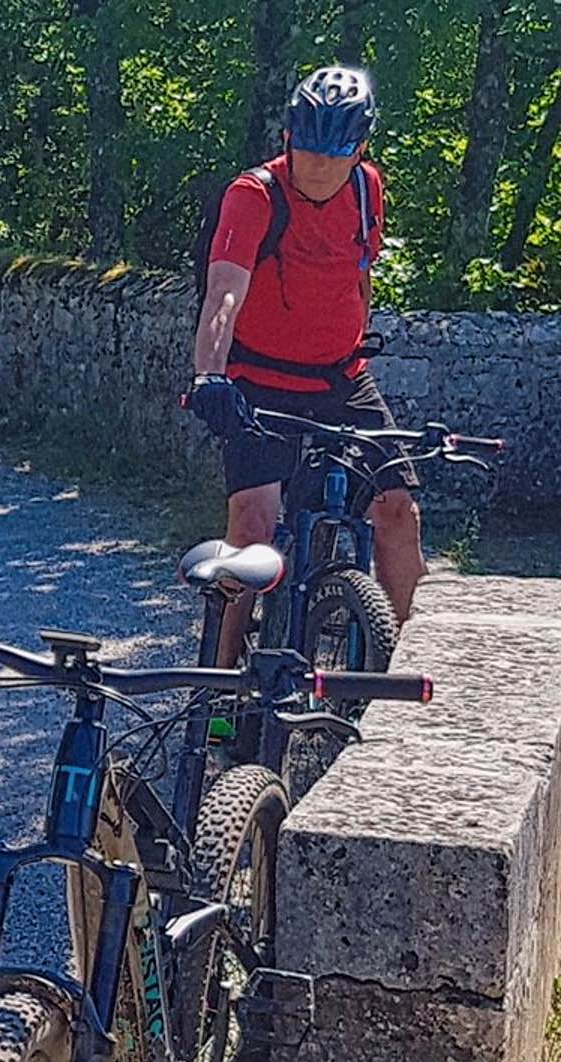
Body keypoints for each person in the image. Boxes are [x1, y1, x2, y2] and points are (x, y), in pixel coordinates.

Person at [187, 65, 424, 665]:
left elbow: (357, 276)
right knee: (254, 524)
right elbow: (224, 296)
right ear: (290, 137)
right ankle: (216, 689)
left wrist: (353, 340)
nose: (316, 169)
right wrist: (210, 375)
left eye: (332, 157)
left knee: (398, 510)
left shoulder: (368, 190)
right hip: (258, 379)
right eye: (307, 152)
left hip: (341, 377)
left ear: (360, 149)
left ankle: (398, 677)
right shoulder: (254, 195)